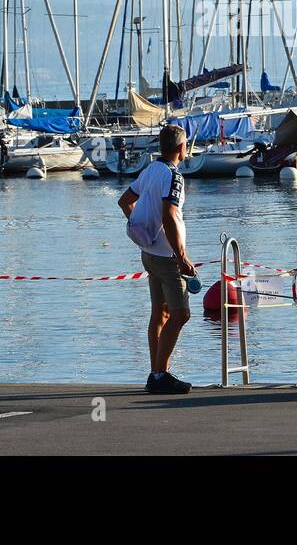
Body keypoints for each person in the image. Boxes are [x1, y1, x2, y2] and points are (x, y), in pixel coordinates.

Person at [118, 124, 195, 395]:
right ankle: (160, 374)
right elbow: (170, 215)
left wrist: (141, 228)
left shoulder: (150, 170)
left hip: (149, 253)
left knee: (159, 314)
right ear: (181, 148)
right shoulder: (173, 176)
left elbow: (125, 201)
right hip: (166, 257)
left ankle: (156, 372)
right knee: (181, 314)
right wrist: (182, 256)